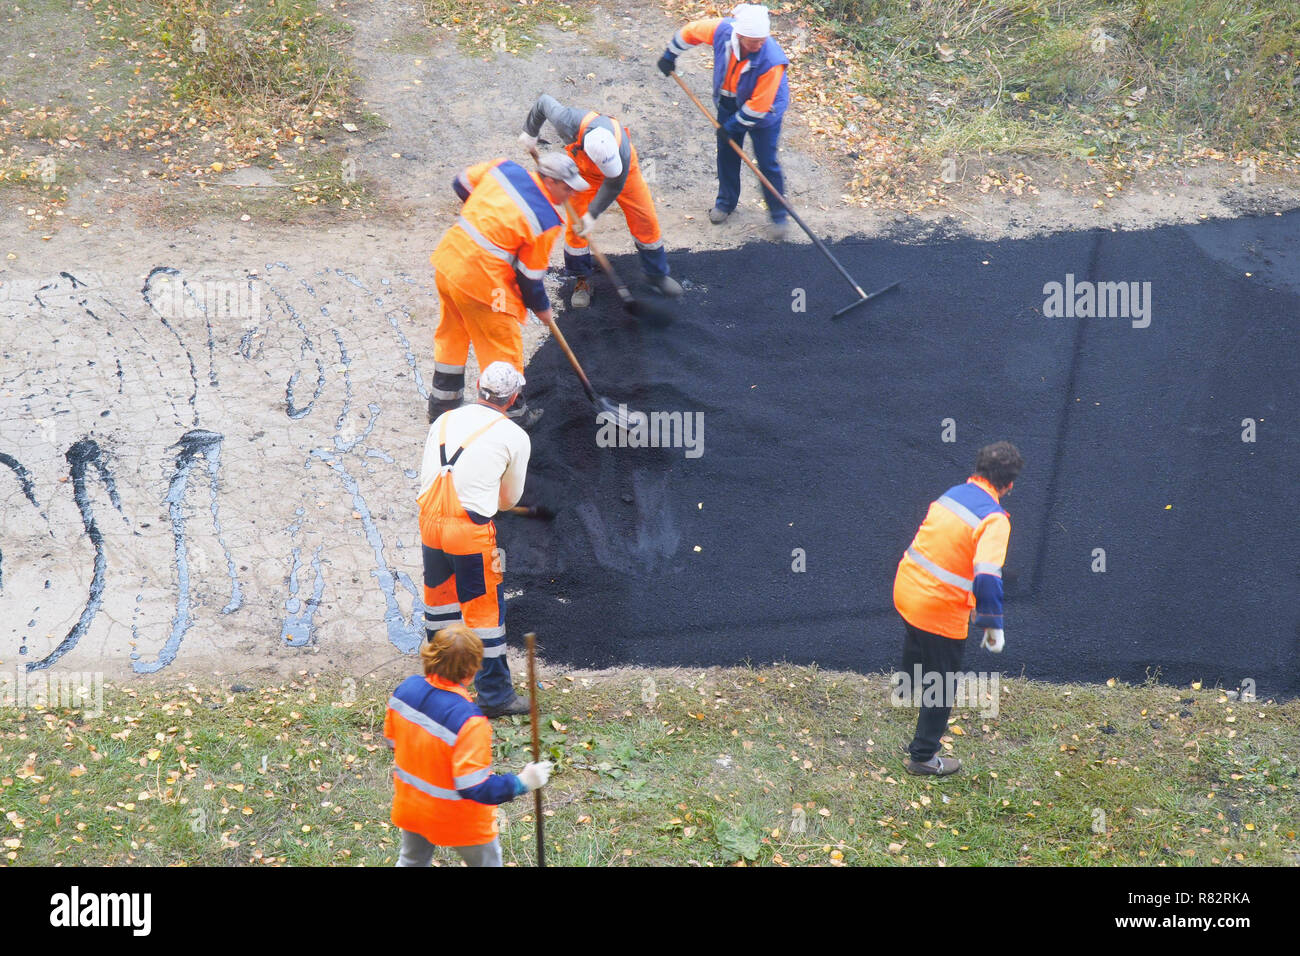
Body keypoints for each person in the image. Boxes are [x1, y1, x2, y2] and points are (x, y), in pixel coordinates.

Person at [892, 441, 1024, 777]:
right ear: (1008, 485)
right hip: (938, 610)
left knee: (916, 641)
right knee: (943, 682)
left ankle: (905, 689)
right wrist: (993, 625)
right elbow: (987, 576)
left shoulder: (952, 494)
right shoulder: (995, 520)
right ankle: (923, 757)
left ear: (978, 470)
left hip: (907, 587)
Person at [427, 152, 588, 426]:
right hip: (485, 287)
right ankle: (512, 417)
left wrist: (488, 220)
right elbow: (529, 278)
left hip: (449, 262)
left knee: (452, 334)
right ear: (548, 180)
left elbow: (461, 184)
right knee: (502, 347)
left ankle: (442, 408)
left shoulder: (503, 169)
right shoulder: (544, 220)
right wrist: (543, 309)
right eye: (566, 186)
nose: (571, 193)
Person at [386, 622, 553, 867]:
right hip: (461, 822)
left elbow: (393, 742)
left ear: (431, 654)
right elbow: (474, 787)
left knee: (411, 861)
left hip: (412, 808)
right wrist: (522, 782)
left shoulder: (404, 692)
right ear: (472, 671)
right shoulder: (469, 722)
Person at [419, 361, 532, 718]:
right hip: (469, 533)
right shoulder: (515, 436)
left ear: (478, 386)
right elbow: (509, 501)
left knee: (440, 609)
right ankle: (495, 696)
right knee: (483, 616)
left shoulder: (444, 420)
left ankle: (439, 685)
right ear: (513, 397)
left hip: (429, 524)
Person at [519, 94, 683, 307]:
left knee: (644, 217)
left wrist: (593, 214)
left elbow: (613, 186)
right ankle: (582, 280)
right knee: (576, 228)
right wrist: (530, 131)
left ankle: (656, 274)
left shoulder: (620, 153)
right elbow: (543, 102)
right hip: (582, 173)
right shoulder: (566, 120)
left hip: (625, 174)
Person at [658, 3, 791, 240]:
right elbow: (690, 32)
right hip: (729, 102)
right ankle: (726, 203)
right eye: (753, 41)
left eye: (762, 40)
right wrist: (671, 54)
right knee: (727, 153)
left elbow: (758, 107)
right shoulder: (722, 31)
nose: (759, 45)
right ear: (739, 35)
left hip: (765, 112)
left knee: (767, 162)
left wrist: (732, 127)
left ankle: (778, 214)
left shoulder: (771, 59)